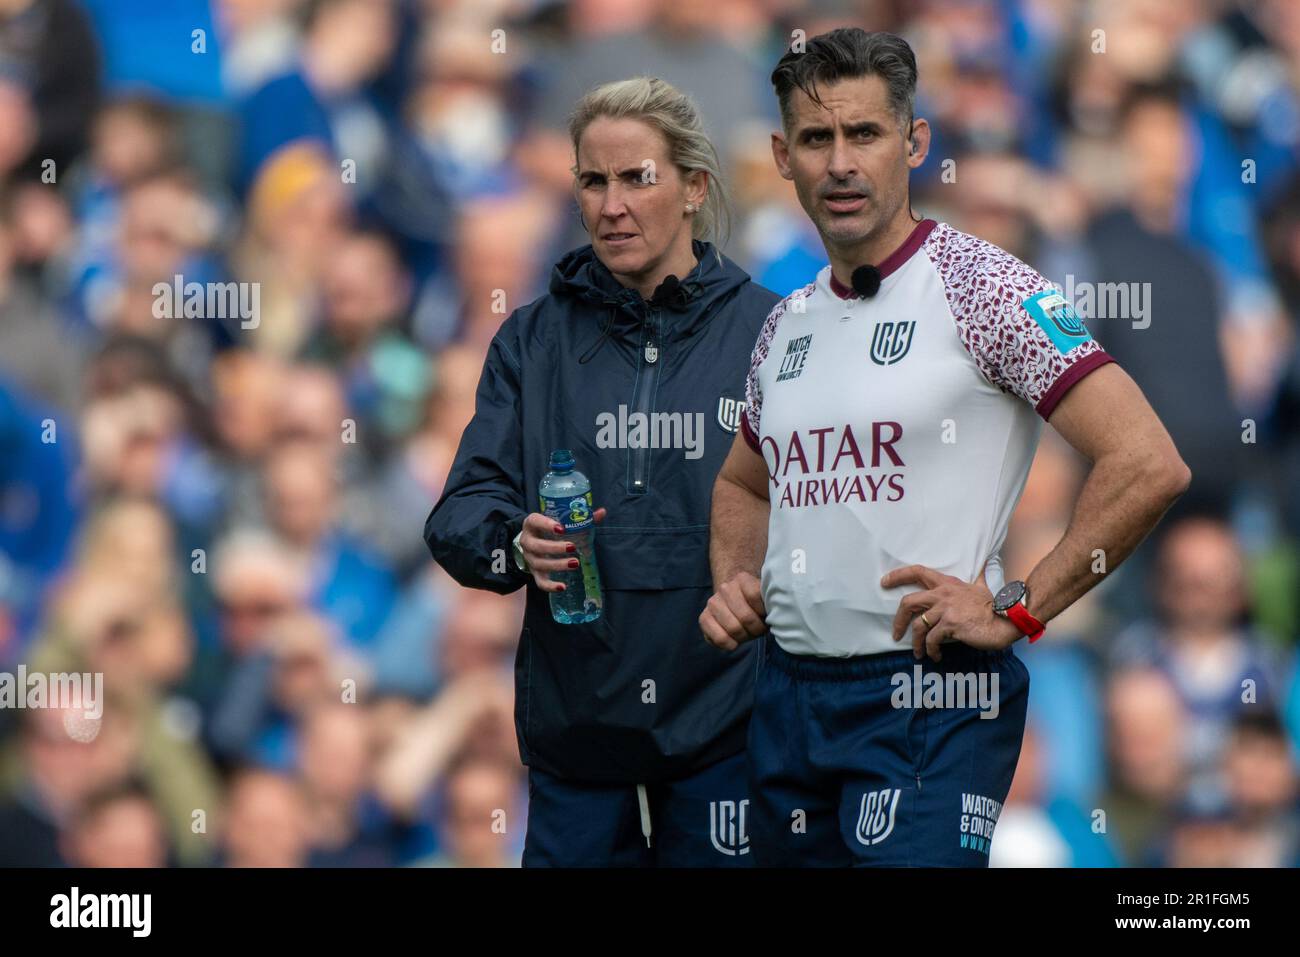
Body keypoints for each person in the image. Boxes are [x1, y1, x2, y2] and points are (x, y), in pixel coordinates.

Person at [701, 28, 1191, 867]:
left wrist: (1020, 605)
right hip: (787, 697)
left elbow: (1148, 461)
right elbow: (743, 486)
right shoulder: (785, 320)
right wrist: (735, 581)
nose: (842, 162)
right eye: (817, 139)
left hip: (930, 695)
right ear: (783, 156)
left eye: (866, 133)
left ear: (916, 142)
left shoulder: (986, 286)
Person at [424, 76, 780, 866]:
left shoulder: (774, 330)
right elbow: (457, 514)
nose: (612, 204)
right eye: (593, 180)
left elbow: (828, 515)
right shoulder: (530, 340)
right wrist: (515, 545)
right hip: (577, 735)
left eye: (636, 178)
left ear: (694, 187)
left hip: (728, 730)